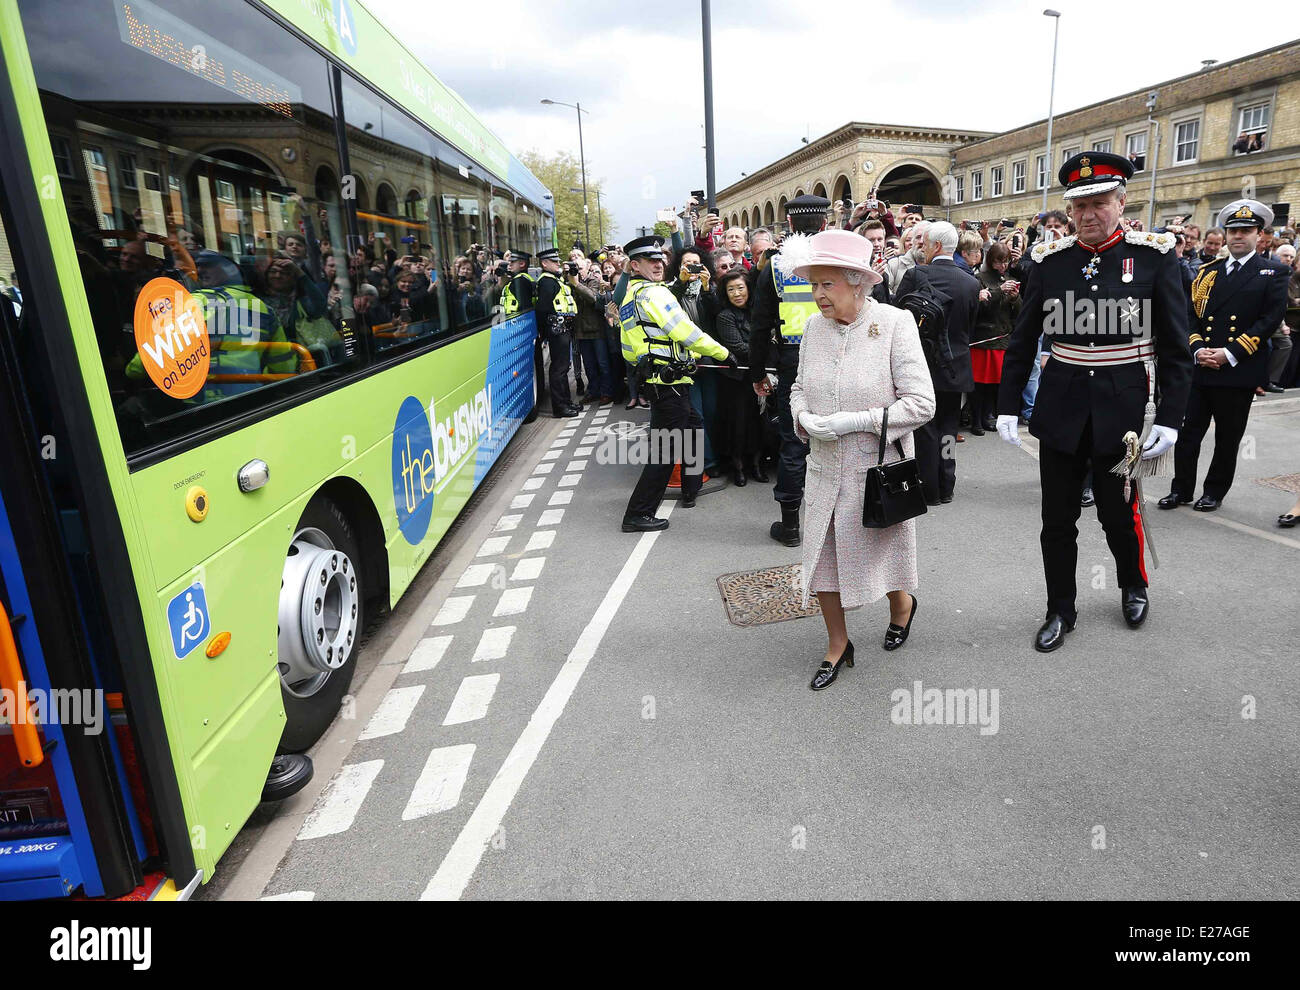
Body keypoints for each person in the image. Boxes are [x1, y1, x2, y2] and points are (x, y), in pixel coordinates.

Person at [997, 151, 1193, 652]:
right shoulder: (1050, 260)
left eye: (1099, 202)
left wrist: (1171, 419)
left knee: (1116, 512)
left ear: (1121, 202)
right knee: (1056, 520)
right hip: (1062, 407)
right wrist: (1006, 405)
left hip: (1123, 409)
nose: (1088, 214)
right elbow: (1023, 340)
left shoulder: (1154, 255)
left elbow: (1175, 347)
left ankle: (1132, 583)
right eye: (1079, 205)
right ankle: (1060, 608)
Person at [783, 230, 935, 691]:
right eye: (814, 285)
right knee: (823, 559)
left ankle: (902, 606)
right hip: (825, 467)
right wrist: (803, 418)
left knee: (884, 553)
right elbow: (796, 389)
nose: (817, 295)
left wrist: (855, 421)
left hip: (877, 470)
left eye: (827, 284)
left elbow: (922, 404)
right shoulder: (812, 328)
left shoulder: (894, 323)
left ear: (857, 283)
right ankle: (837, 644)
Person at [1160, 200, 1289, 512]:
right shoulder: (1208, 272)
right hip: (1202, 366)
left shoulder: (1273, 272)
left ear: (1259, 235)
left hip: (1237, 367)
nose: (1238, 237)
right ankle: (1181, 490)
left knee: (1227, 438)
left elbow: (1270, 319)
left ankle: (1214, 491)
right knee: (1188, 433)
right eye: (1233, 231)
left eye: (1246, 231)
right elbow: (1191, 315)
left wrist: (1229, 353)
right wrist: (1197, 347)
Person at [620, 236, 732, 532]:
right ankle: (638, 514)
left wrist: (670, 359)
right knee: (665, 452)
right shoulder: (654, 294)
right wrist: (723, 353)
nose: (659, 265)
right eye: (650, 261)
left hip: (661, 380)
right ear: (635, 265)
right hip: (668, 384)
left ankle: (690, 488)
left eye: (660, 260)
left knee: (693, 429)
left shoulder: (629, 299)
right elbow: (684, 331)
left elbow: (628, 350)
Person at [747, 194, 831, 548]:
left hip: (793, 362)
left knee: (794, 441)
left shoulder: (775, 268)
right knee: (839, 437)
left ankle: (791, 525)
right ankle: (838, 519)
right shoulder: (837, 259)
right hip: (836, 357)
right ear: (824, 224)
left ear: (791, 225)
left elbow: (758, 326)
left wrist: (756, 374)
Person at [896, 221, 978, 505]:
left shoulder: (916, 274)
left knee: (925, 429)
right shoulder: (971, 282)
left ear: (937, 246)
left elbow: (897, 319)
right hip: (956, 367)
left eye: (926, 243)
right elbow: (971, 326)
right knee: (948, 429)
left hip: (923, 364)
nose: (923, 247)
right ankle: (946, 485)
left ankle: (928, 487)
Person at [712, 268, 764, 487]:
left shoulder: (759, 311)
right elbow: (738, 347)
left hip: (760, 375)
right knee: (738, 425)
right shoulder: (725, 317)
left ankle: (757, 464)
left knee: (759, 423)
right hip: (736, 380)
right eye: (731, 289)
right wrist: (765, 348)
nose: (736, 293)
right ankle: (739, 467)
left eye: (740, 288)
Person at [969, 242, 1020, 434]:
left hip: (1002, 338)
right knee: (978, 384)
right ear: (990, 260)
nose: (1003, 266)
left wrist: (1015, 297)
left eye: (1006, 261)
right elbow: (981, 307)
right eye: (999, 261)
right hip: (983, 338)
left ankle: (986, 417)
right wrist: (1001, 291)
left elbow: (1020, 312)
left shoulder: (1010, 279)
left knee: (994, 384)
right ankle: (976, 421)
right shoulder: (979, 279)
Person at [534, 247, 581, 418]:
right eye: (554, 261)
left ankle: (566, 403)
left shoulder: (554, 279)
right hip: (557, 330)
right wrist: (543, 331)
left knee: (563, 367)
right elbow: (543, 308)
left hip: (562, 329)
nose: (558, 263)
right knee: (559, 369)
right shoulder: (547, 281)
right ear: (544, 263)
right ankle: (560, 407)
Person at [569, 254, 615, 404]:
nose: (577, 270)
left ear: (588, 267)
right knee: (588, 365)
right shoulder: (569, 282)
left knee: (603, 363)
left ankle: (607, 391)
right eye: (574, 268)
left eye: (580, 268)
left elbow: (594, 298)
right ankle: (593, 390)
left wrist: (577, 285)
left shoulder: (594, 281)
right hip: (581, 331)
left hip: (597, 329)